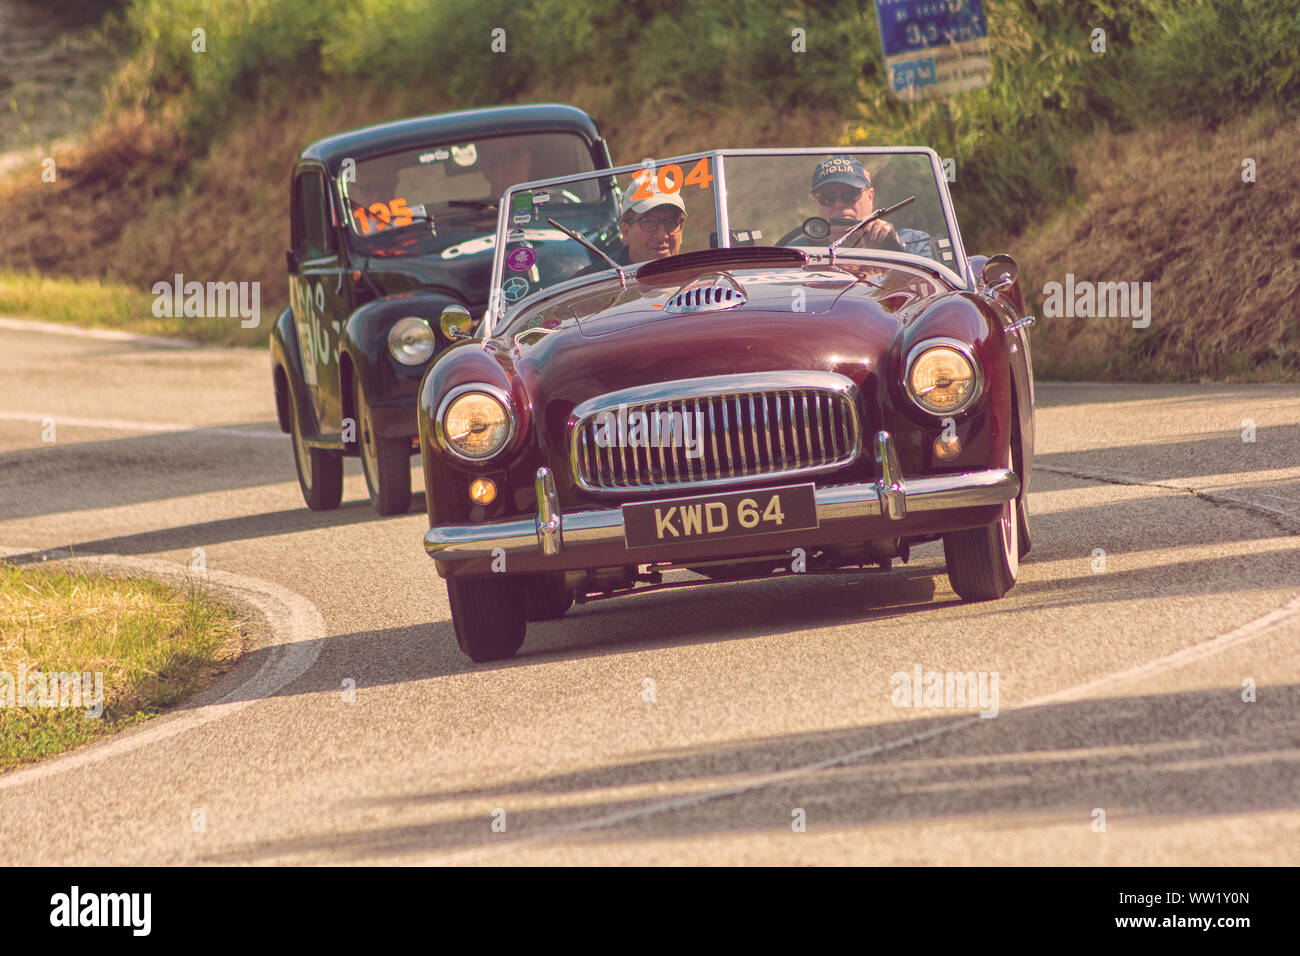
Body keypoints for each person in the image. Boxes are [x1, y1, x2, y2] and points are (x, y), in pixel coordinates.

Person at [809, 155, 906, 251]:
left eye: (850, 194)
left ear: (870, 197)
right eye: (827, 197)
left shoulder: (914, 241)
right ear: (816, 202)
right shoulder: (801, 252)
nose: (839, 204)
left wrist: (893, 246)